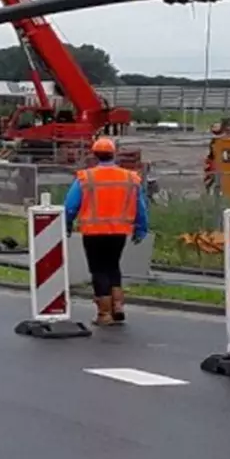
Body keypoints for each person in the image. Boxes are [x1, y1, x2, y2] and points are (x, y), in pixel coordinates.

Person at [64, 137, 149, 327]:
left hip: (93, 232)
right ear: (114, 154)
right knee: (113, 266)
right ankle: (117, 306)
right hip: (119, 232)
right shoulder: (130, 178)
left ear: (95, 155)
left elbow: (70, 206)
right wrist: (141, 228)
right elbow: (141, 206)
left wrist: (66, 224)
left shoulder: (86, 177)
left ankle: (104, 314)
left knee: (98, 269)